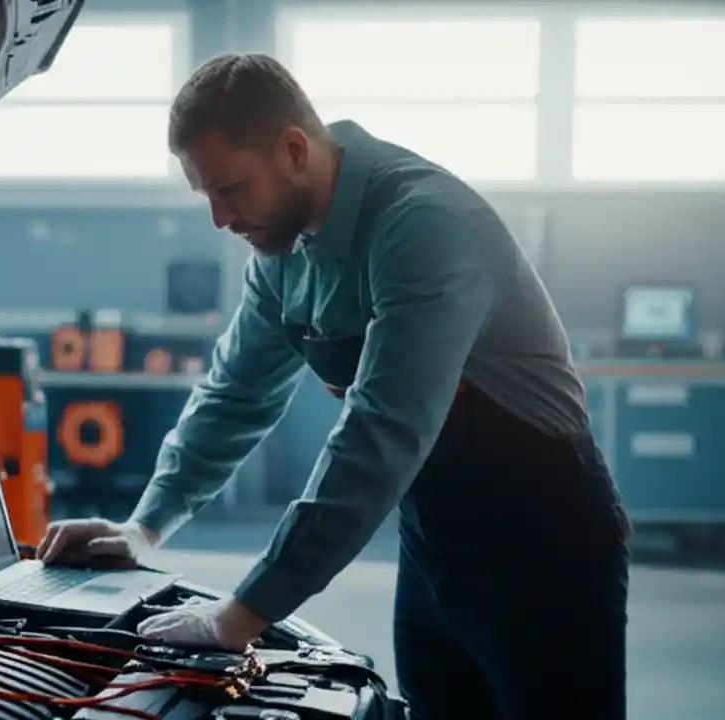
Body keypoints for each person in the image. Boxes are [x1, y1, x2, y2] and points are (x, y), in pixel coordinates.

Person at [36, 54, 632, 719]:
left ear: (294, 149)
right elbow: (235, 392)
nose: (219, 219)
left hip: (545, 544)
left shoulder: (424, 226)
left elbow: (379, 436)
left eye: (231, 188)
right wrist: (146, 525)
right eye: (205, 193)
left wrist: (244, 613)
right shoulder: (279, 247)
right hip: (434, 543)